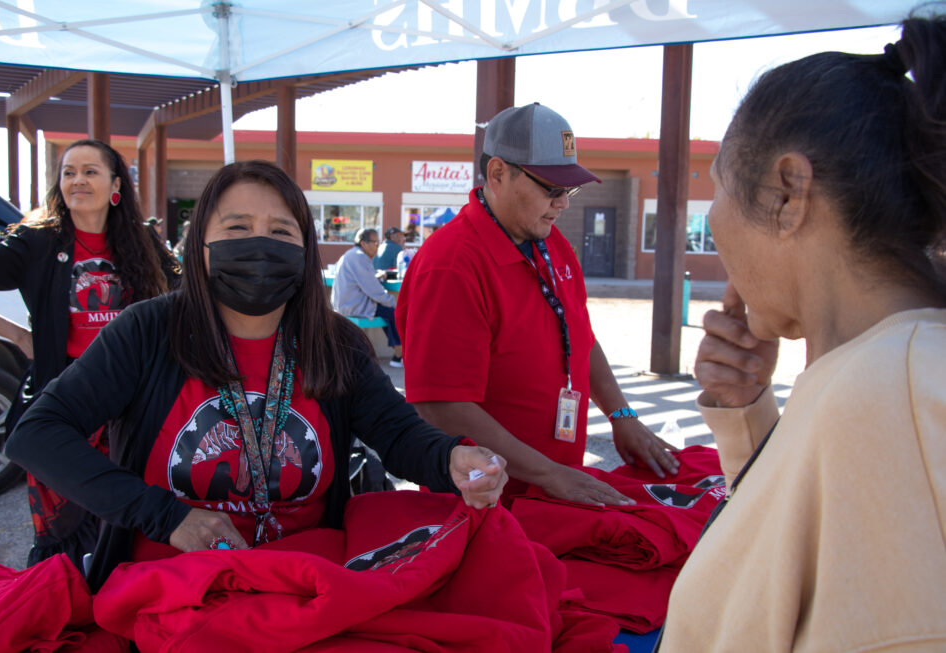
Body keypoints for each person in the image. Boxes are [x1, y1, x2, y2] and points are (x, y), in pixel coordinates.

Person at [5, 160, 506, 591]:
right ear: (199, 245)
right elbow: (37, 434)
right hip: (169, 592)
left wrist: (452, 457)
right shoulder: (147, 331)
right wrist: (166, 516)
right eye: (238, 228)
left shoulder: (336, 342)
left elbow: (398, 434)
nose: (260, 244)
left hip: (304, 587)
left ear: (306, 251)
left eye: (282, 232)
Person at [660, 14, 946, 651]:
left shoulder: (888, 396)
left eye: (717, 187)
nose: (714, 221)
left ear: (789, 192)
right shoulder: (876, 376)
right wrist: (749, 421)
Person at [396, 103, 679, 506]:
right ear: (498, 174)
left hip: (555, 491)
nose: (564, 203)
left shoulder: (550, 242)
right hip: (484, 506)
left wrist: (621, 415)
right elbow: (442, 406)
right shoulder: (451, 264)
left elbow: (580, 336)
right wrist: (549, 473)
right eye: (552, 188)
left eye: (569, 189)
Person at [0, 138, 175, 567]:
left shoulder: (140, 242)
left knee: (125, 525)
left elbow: (183, 296)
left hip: (127, 406)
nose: (77, 180)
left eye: (90, 171)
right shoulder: (35, 242)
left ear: (115, 184)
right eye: (69, 172)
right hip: (63, 401)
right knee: (63, 532)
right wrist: (20, 337)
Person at [331, 228, 404, 367]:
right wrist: (393, 302)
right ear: (363, 243)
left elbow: (364, 279)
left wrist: (377, 275)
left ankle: (398, 353)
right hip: (353, 306)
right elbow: (374, 291)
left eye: (378, 242)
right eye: (375, 243)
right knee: (394, 312)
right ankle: (399, 354)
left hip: (345, 304)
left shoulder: (352, 254)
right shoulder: (359, 257)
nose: (377, 247)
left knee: (388, 313)